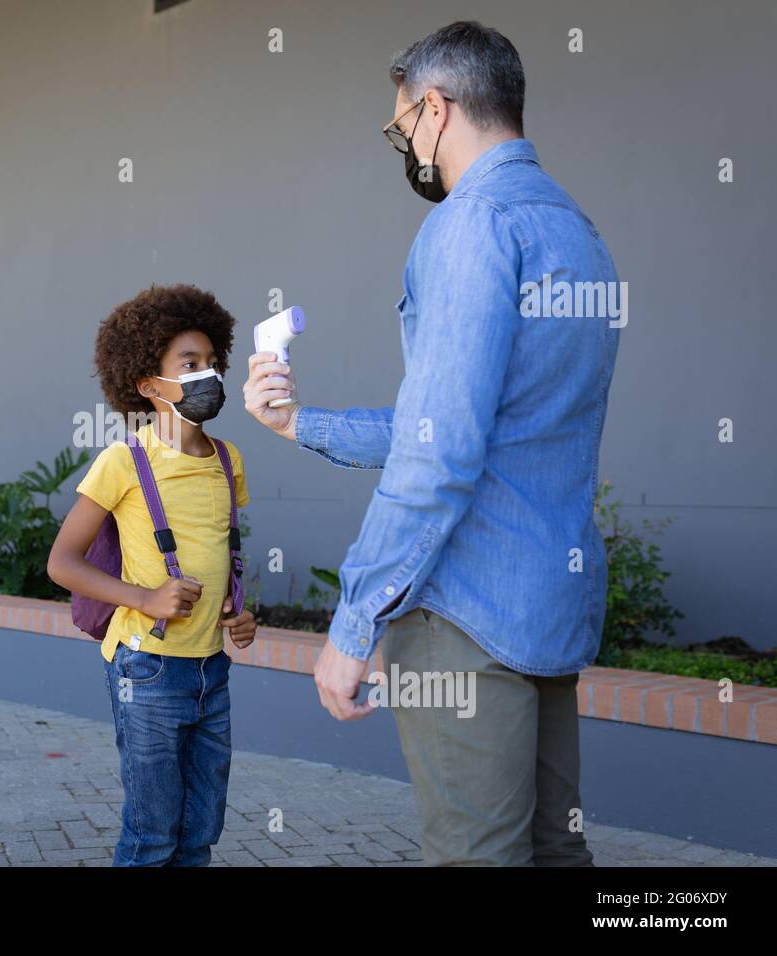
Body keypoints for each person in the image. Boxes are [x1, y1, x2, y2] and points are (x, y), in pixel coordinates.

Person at [245, 22, 619, 866]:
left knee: (477, 856)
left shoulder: (468, 225)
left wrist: (354, 620)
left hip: (465, 612)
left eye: (400, 125)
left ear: (435, 110)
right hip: (548, 604)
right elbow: (470, 431)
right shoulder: (576, 230)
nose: (405, 145)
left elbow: (440, 455)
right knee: (558, 853)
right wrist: (302, 424)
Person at [48, 284, 257, 866]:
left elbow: (222, 548)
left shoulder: (227, 459)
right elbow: (61, 563)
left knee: (200, 833)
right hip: (148, 668)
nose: (206, 375)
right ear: (147, 384)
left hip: (211, 667)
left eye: (212, 363)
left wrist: (238, 612)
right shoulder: (123, 461)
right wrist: (145, 595)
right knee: (153, 832)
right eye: (189, 365)